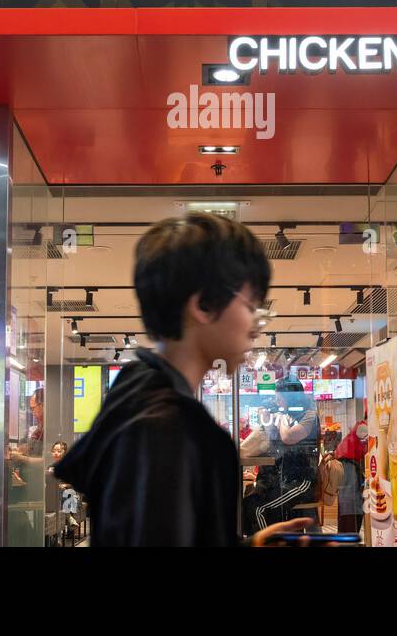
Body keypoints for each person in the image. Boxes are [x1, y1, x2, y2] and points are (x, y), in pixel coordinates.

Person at [54, 213, 313, 546]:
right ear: (204, 305)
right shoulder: (164, 426)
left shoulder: (140, 399)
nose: (256, 323)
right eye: (251, 305)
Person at [252, 378, 321, 531]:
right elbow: (272, 437)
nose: (276, 401)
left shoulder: (309, 416)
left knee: (261, 510)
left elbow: (288, 437)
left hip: (302, 481)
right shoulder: (288, 415)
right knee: (249, 505)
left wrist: (281, 417)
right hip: (284, 479)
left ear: (290, 397)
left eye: (279, 397)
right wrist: (265, 415)